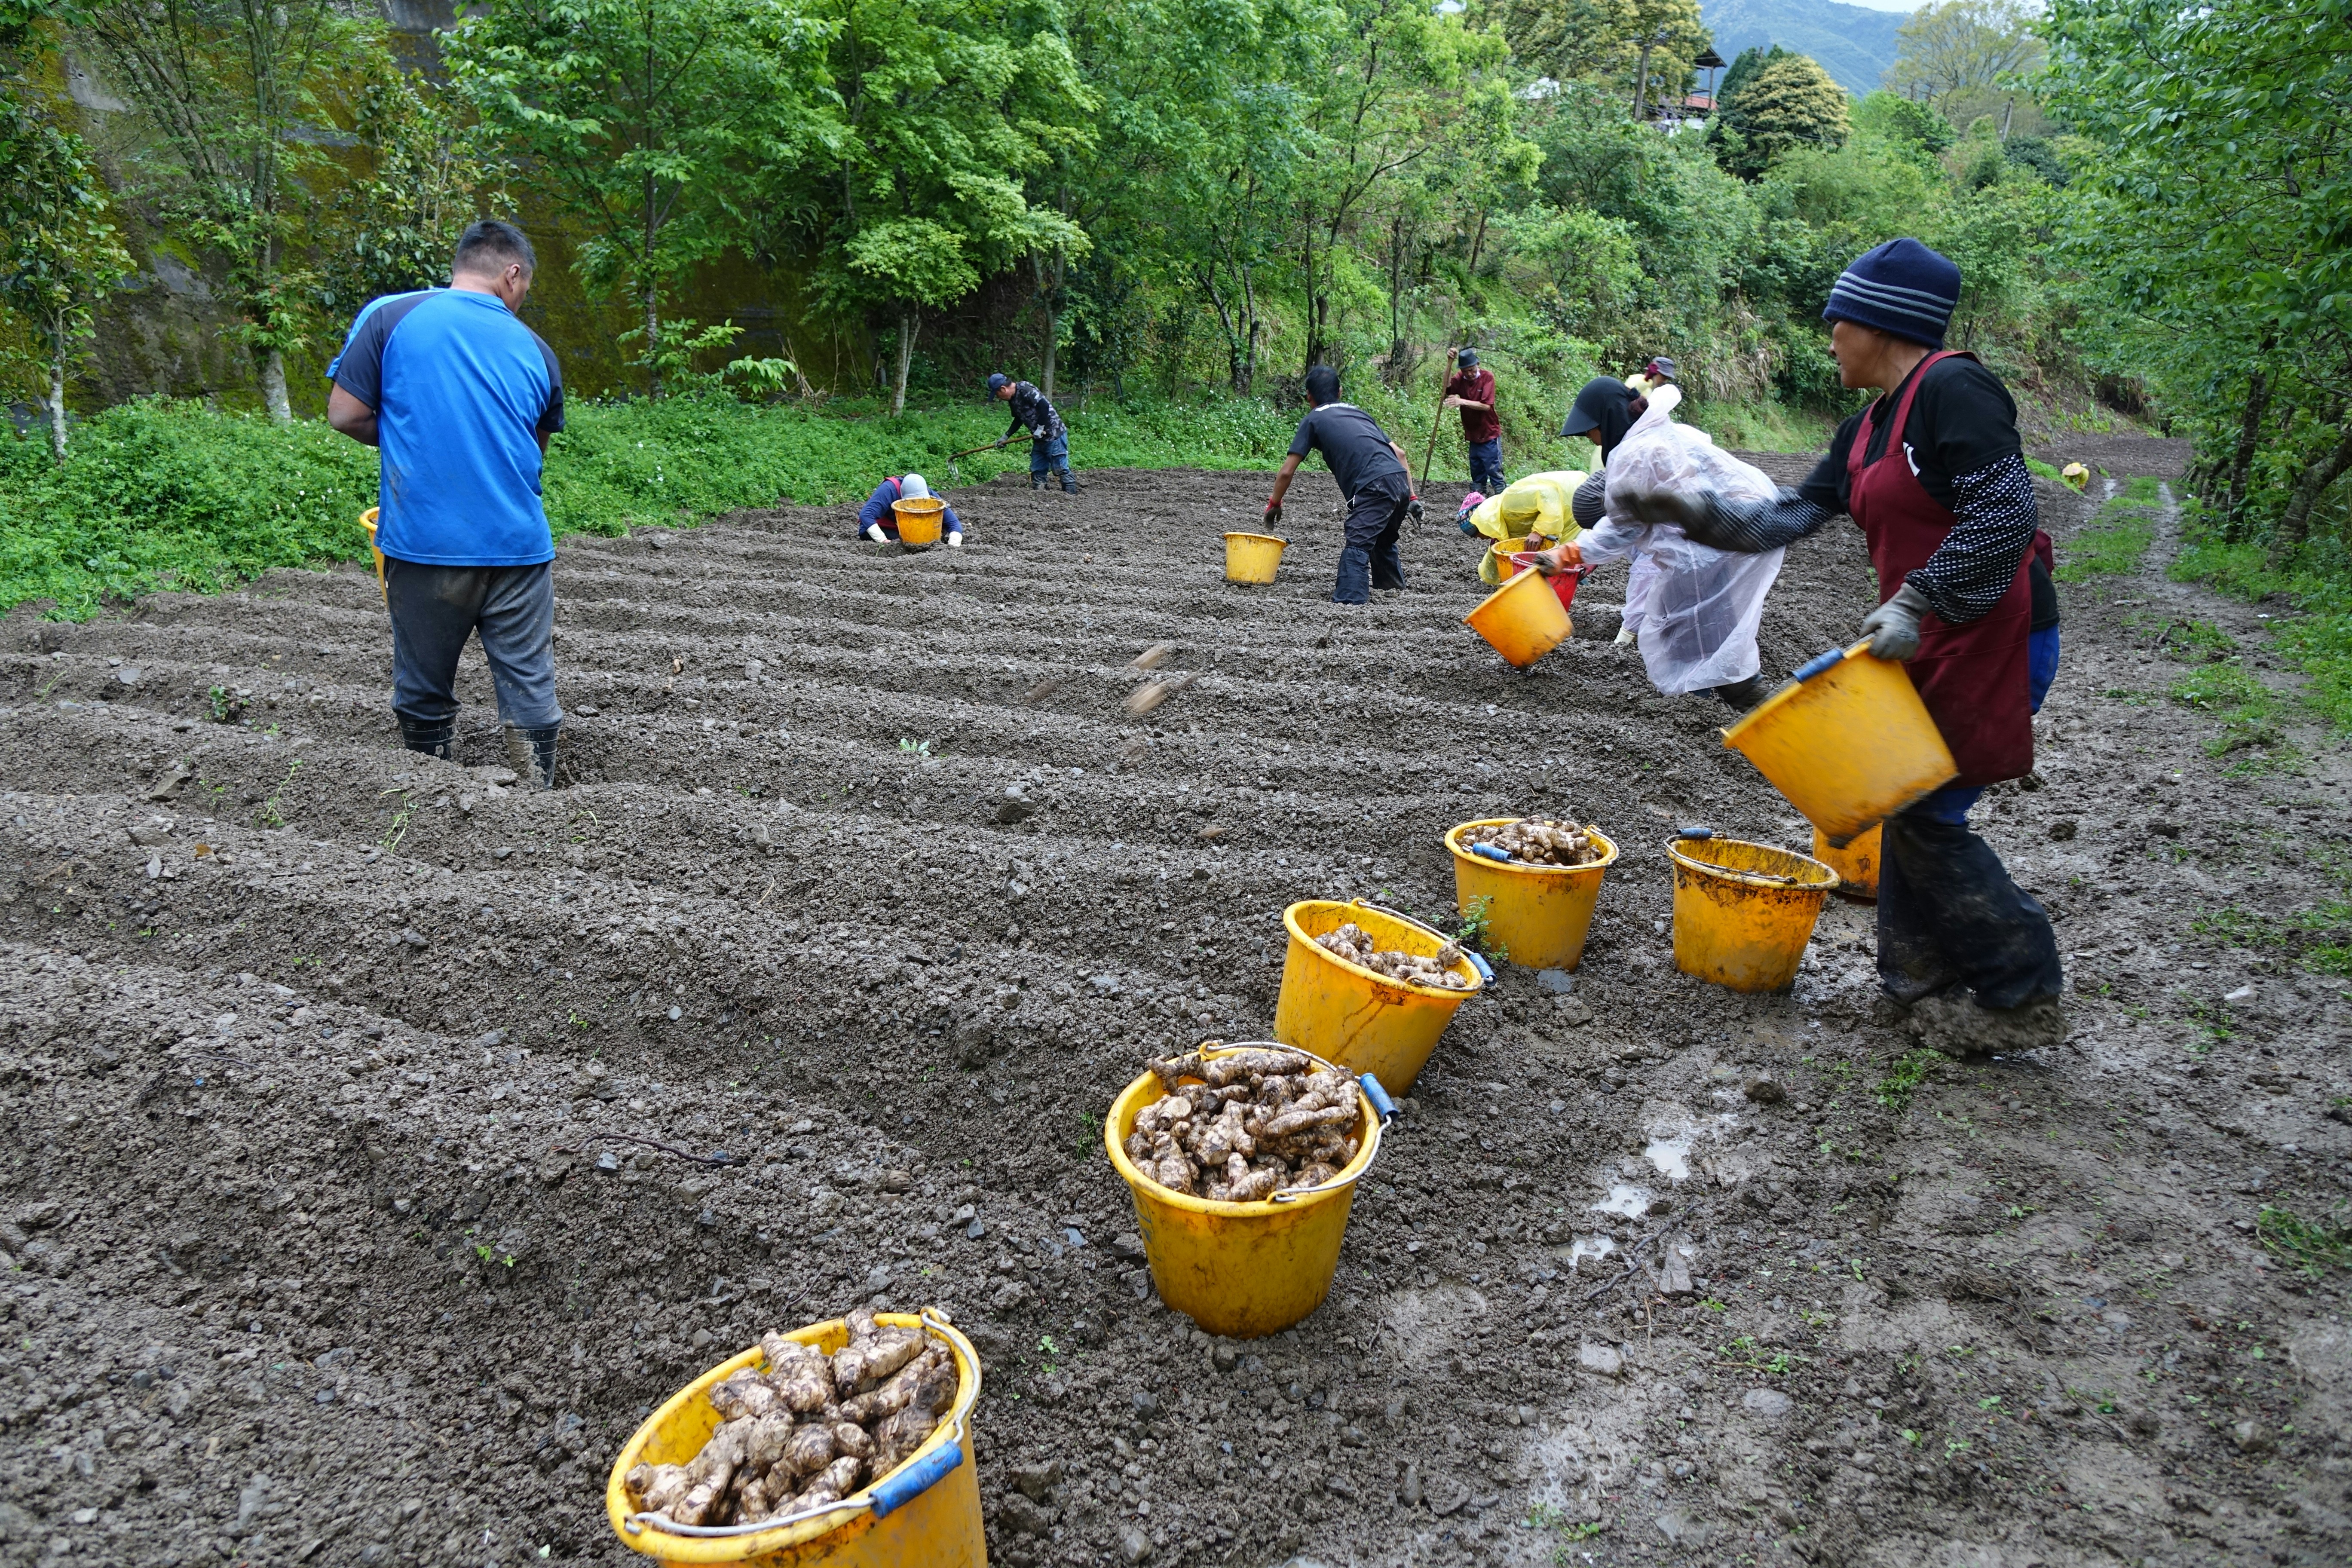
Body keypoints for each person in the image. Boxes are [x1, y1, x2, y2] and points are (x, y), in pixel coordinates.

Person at [1611, 237, 2065, 1052]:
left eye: (1836, 321)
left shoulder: (1955, 390)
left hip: (1993, 631)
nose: (1827, 338)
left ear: (1881, 322)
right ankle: (1916, 980)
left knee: (1927, 810)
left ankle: (2019, 992)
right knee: (1902, 799)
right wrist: (1689, 512)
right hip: (1922, 637)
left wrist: (1919, 597)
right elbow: (1788, 515)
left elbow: (2006, 517)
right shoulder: (1865, 428)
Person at [326, 219, 567, 789]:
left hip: (424, 546)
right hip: (519, 550)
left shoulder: (390, 316)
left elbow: (345, 413)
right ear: (512, 275)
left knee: (423, 687)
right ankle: (539, 798)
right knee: (529, 683)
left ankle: (431, 797)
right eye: (526, 287)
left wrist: (418, 434)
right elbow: (532, 455)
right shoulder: (537, 349)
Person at [1263, 364, 1421, 604]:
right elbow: (1400, 453)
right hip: (1399, 480)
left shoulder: (1313, 419)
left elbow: (1286, 472)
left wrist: (1275, 504)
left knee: (1358, 543)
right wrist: (1411, 498)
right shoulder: (1360, 414)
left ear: (1309, 397)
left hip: (1374, 485)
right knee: (1382, 540)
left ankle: (1350, 604)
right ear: (1340, 392)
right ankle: (1392, 592)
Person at [988, 372, 1075, 493]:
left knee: (1060, 468)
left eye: (998, 394)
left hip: (1054, 434)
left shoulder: (1025, 389)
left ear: (1003, 389)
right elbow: (1019, 418)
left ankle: (1071, 496)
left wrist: (1040, 428)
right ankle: (1040, 496)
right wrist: (1006, 436)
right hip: (1039, 438)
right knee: (1038, 469)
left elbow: (1044, 406)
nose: (999, 398)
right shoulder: (1013, 399)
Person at [1442, 348, 1504, 493]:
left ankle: (1501, 500)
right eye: (1465, 371)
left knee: (1494, 471)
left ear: (1478, 365)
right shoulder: (1460, 378)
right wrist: (1449, 363)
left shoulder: (1487, 377)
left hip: (1489, 433)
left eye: (1471, 370)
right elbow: (1446, 389)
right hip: (1473, 435)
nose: (1469, 374)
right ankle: (1478, 502)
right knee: (1477, 475)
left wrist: (1461, 401)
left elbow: (1486, 406)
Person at [856, 473, 963, 547]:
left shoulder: (931, 495)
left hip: (913, 528)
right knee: (909, 544)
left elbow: (953, 523)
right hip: (886, 527)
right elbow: (866, 516)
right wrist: (883, 541)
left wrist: (953, 546)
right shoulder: (889, 490)